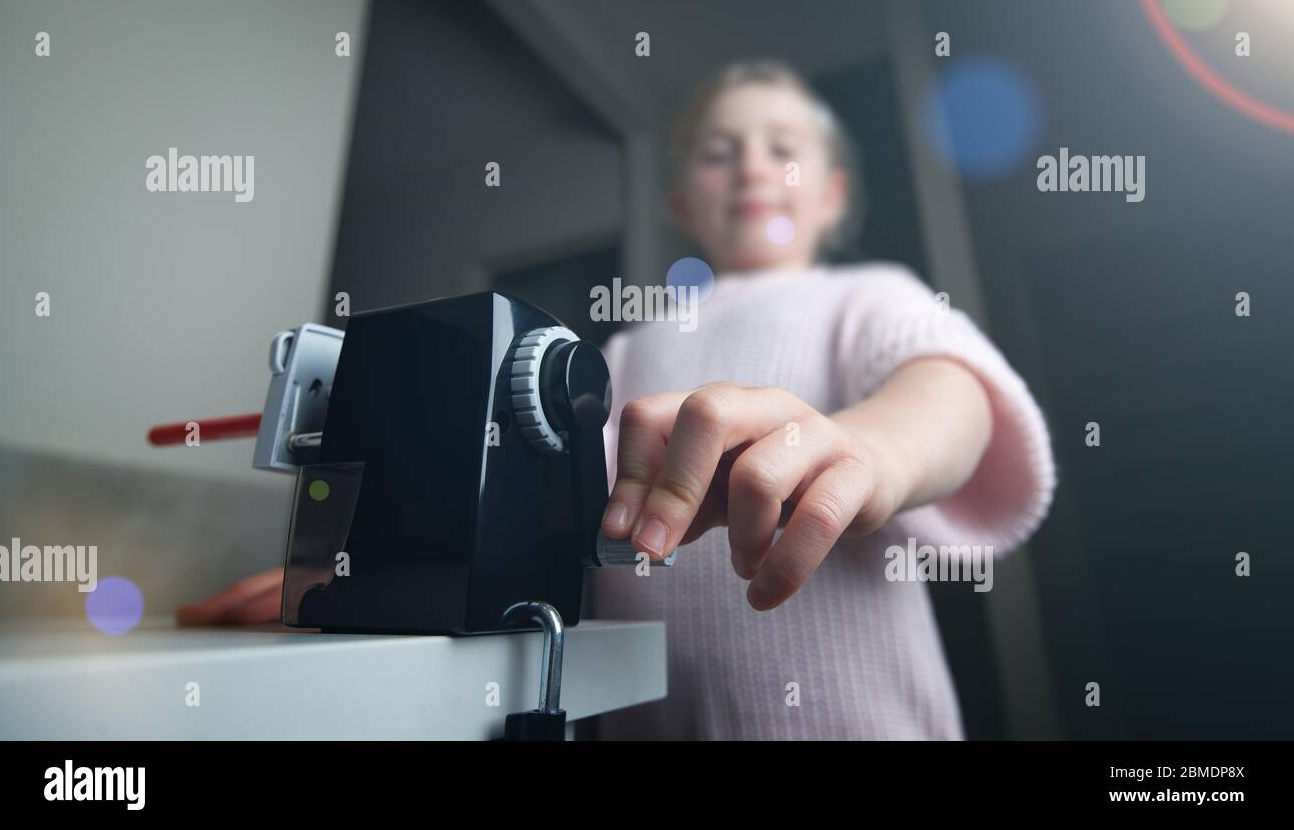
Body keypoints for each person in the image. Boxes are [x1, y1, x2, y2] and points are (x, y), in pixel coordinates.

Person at [179, 59, 1056, 740]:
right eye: (719, 151)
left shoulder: (868, 295)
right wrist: (368, 579)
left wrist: (880, 451)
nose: (750, 163)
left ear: (829, 195)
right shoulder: (628, 349)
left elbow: (953, 390)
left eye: (783, 148)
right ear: (683, 201)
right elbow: (560, 518)